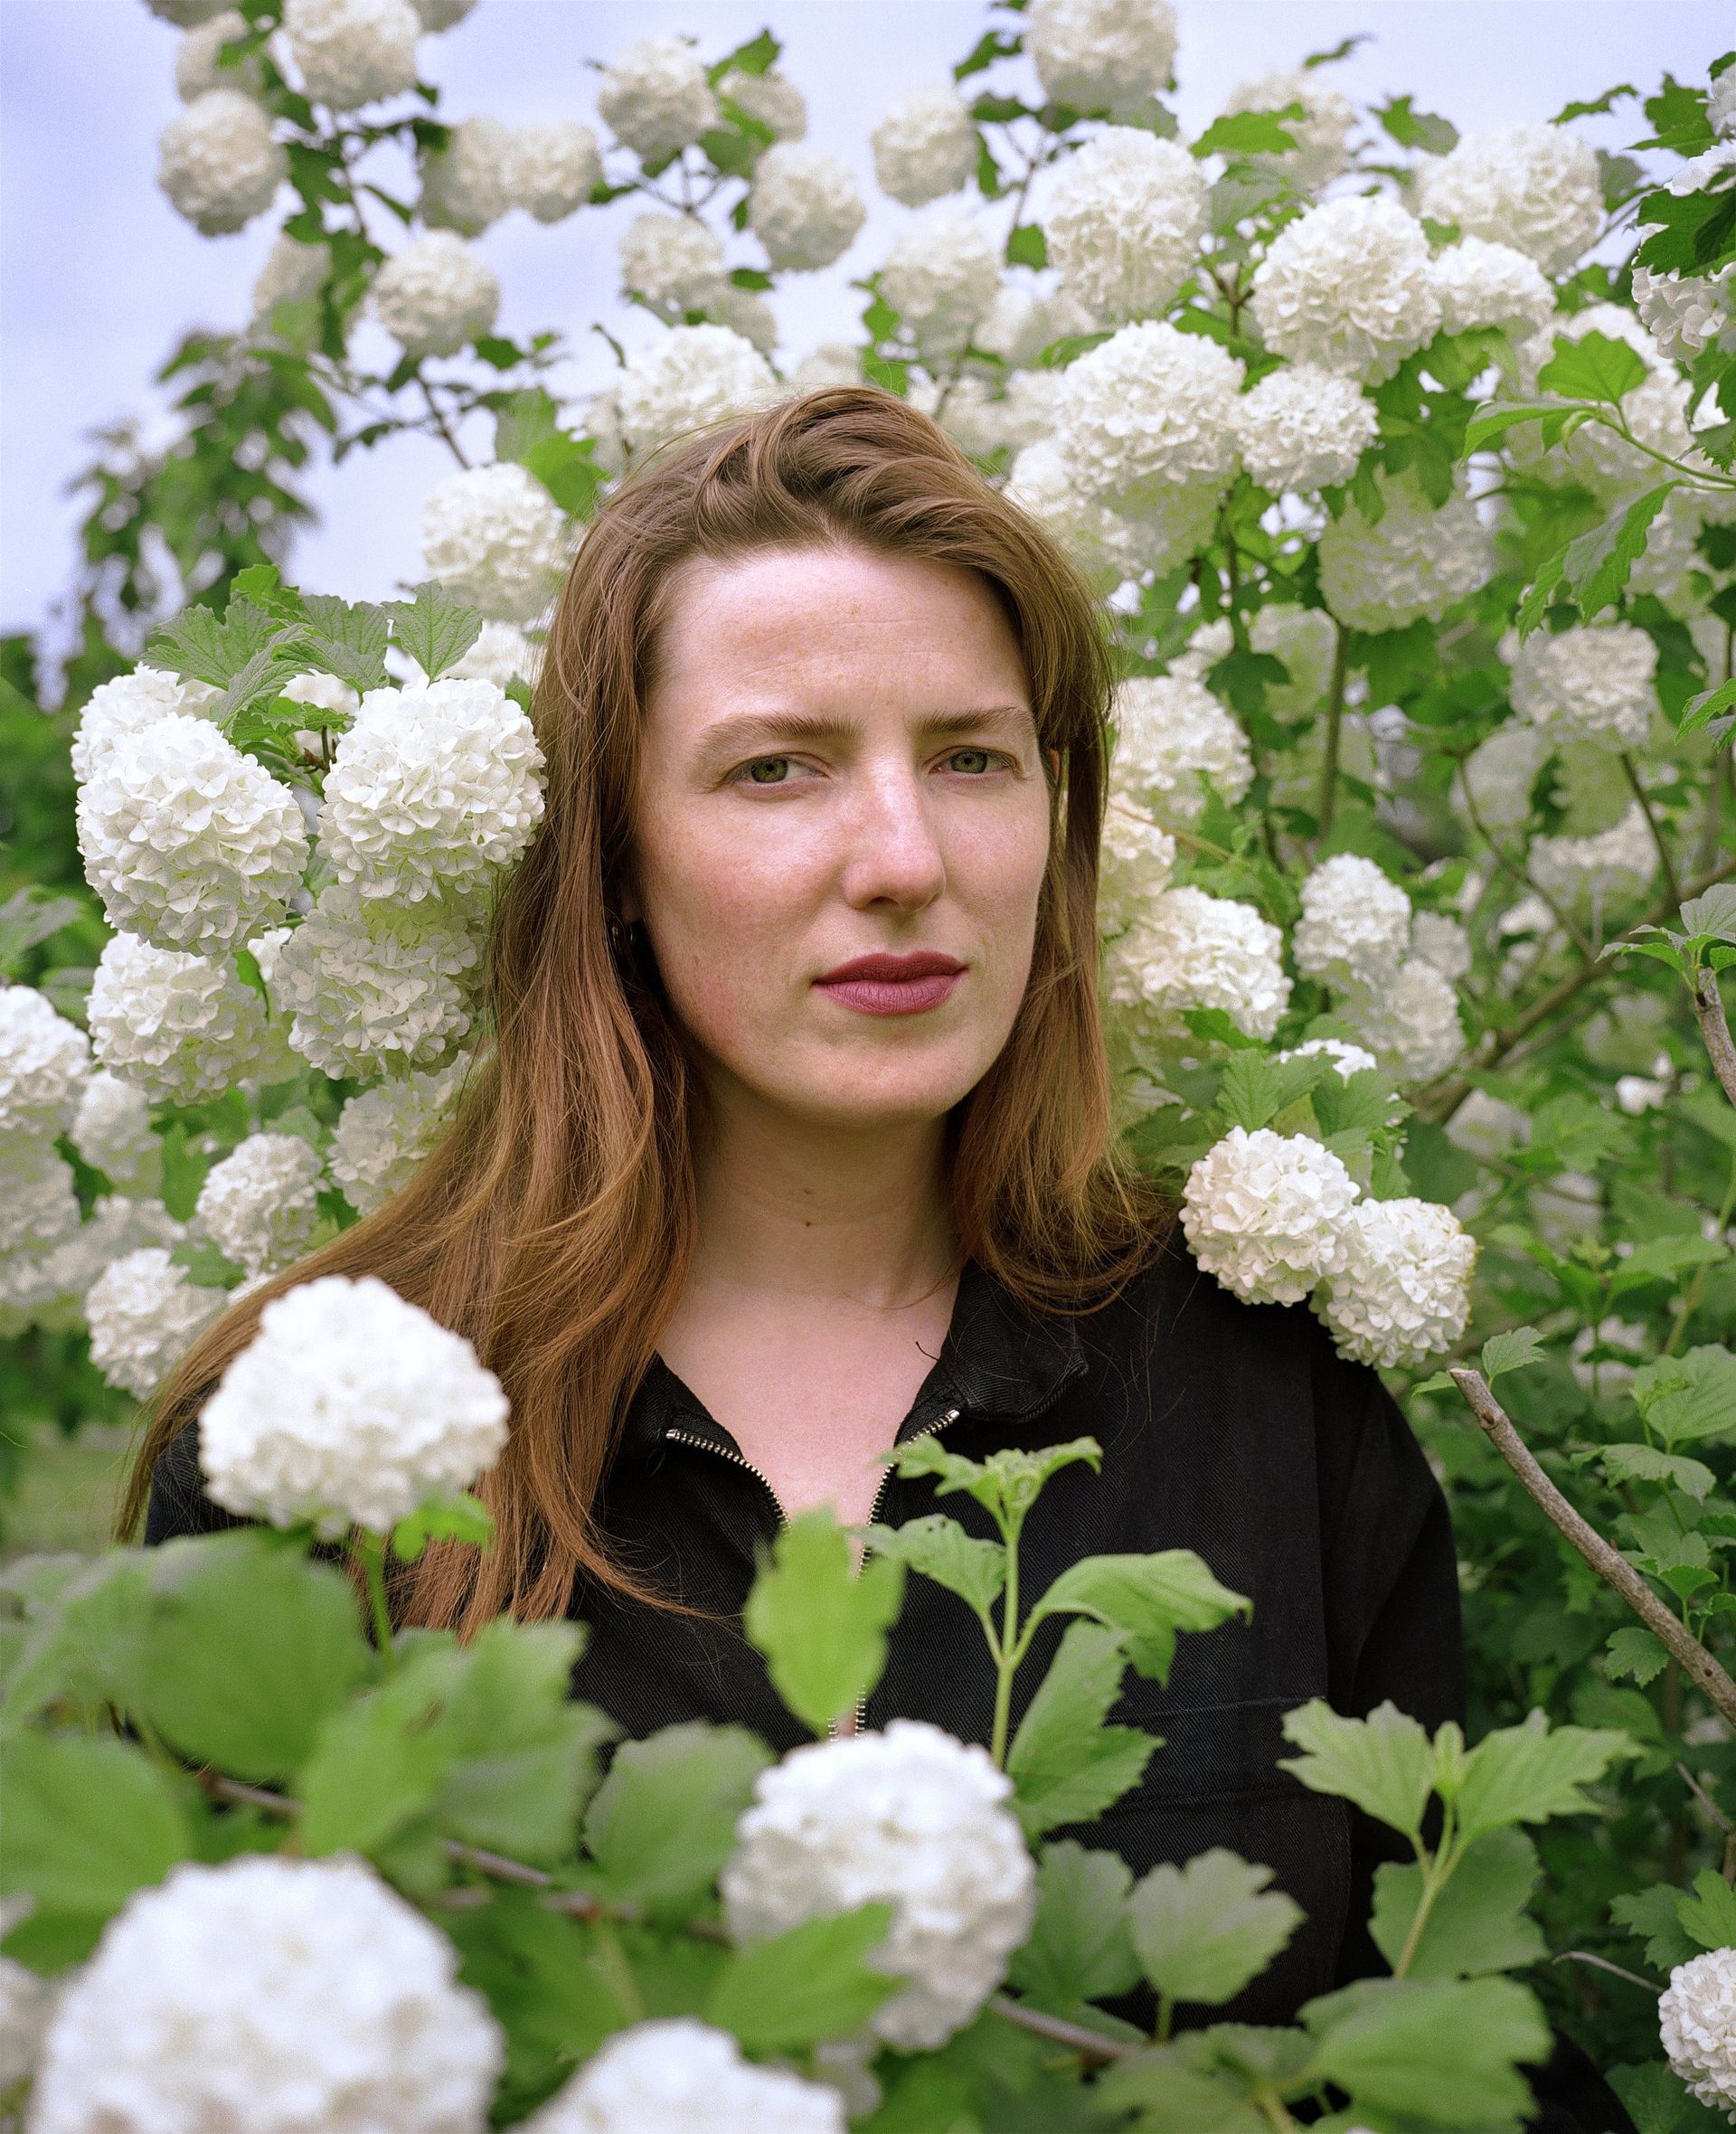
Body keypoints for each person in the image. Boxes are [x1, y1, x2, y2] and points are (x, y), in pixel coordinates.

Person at [129, 387, 1633, 2126]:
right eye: (779, 767)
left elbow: (1453, 2051)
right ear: (613, 852)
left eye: (973, 758)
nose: (906, 862)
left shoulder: (1268, 1395)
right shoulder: (318, 1449)